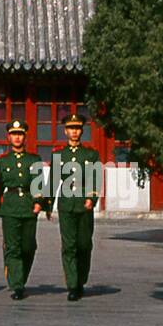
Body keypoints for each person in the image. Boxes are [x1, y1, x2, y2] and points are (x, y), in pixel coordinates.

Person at [0, 119, 46, 300]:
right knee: (13, 247)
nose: (17, 138)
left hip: (29, 205)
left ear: (25, 136)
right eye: (14, 134)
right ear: (8, 137)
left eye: (20, 134)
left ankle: (20, 276)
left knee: (28, 246)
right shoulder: (2, 161)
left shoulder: (34, 159)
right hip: (11, 206)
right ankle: (17, 284)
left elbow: (39, 184)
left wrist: (39, 202)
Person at [49, 110, 101, 300]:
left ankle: (81, 280)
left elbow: (96, 178)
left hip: (83, 203)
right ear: (65, 131)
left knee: (84, 245)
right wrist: (46, 205)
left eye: (77, 129)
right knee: (69, 245)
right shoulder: (59, 155)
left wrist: (91, 198)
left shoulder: (90, 154)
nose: (74, 132)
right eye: (70, 129)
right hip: (66, 204)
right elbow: (53, 183)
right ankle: (72, 285)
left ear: (82, 131)